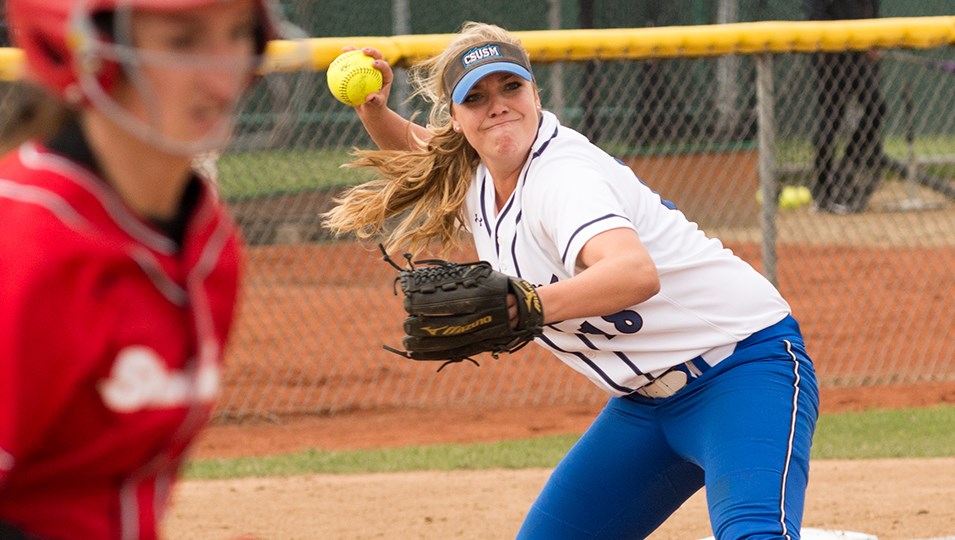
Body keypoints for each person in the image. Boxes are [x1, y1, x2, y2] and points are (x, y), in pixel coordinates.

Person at [324, 22, 820, 540]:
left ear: (535, 93)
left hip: (740, 372)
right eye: (476, 97)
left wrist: (527, 306)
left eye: (510, 87)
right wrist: (375, 111)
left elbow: (633, 272)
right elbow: (423, 153)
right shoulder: (479, 173)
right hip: (644, 408)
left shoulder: (564, 178)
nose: (497, 106)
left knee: (754, 534)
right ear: (457, 118)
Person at [0, 0, 284, 538]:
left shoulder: (209, 243)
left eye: (238, 35)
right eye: (182, 43)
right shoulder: (24, 244)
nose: (223, 82)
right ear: (83, 52)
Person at [807, 0, 887, 214]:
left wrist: (872, 40)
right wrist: (826, 44)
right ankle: (823, 190)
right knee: (831, 118)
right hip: (830, 55)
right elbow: (815, 11)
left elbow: (870, 8)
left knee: (876, 109)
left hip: (857, 53)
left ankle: (844, 170)